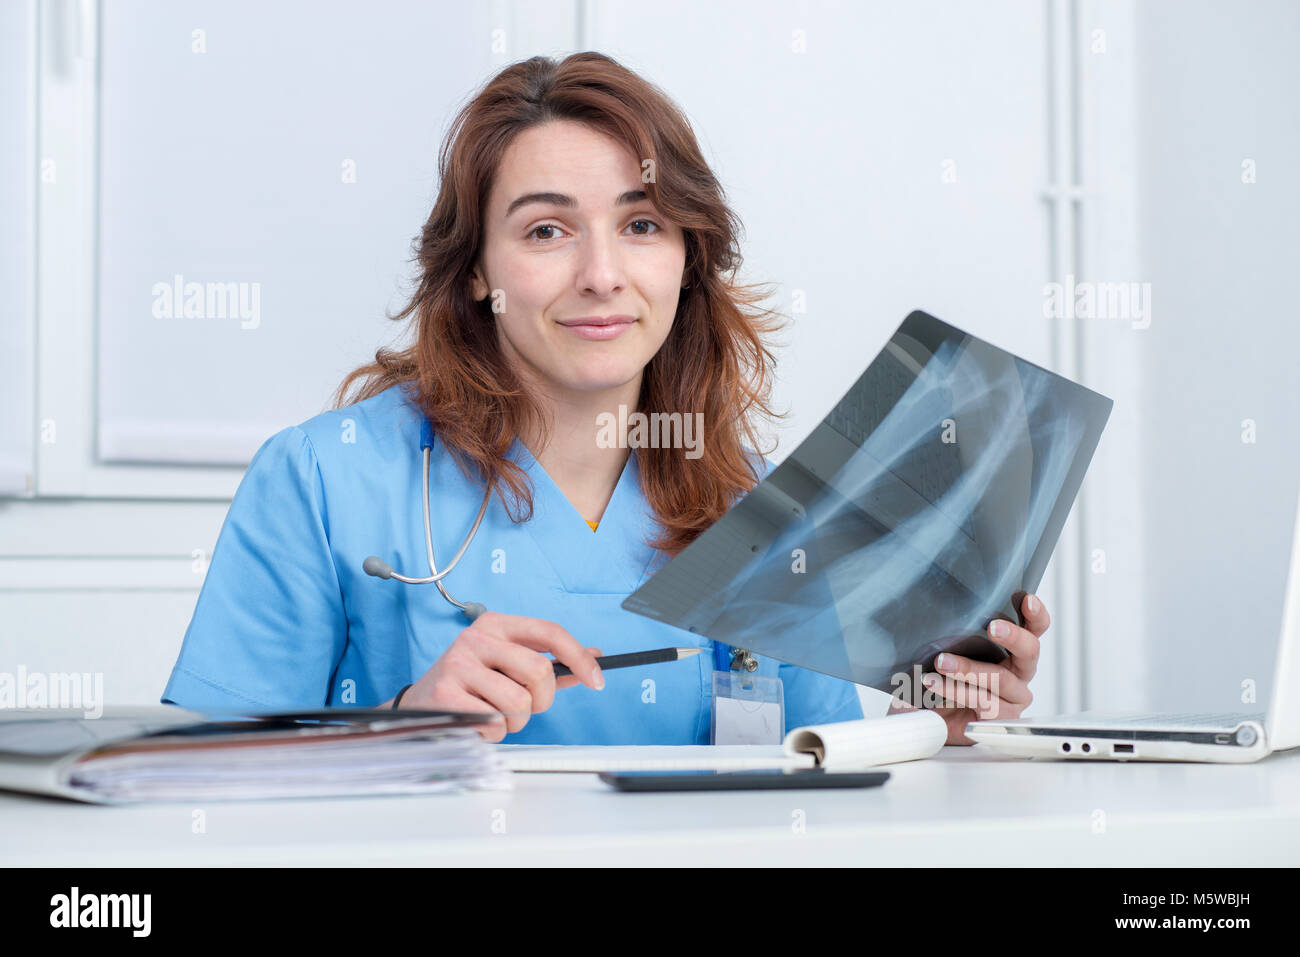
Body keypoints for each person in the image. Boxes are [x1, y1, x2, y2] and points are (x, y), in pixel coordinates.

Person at [161, 52, 1050, 745]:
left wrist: (938, 727)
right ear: (474, 270)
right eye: (547, 230)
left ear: (686, 259)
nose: (601, 275)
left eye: (641, 225)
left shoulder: (764, 512)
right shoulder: (324, 479)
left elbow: (808, 783)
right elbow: (198, 791)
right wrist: (400, 721)